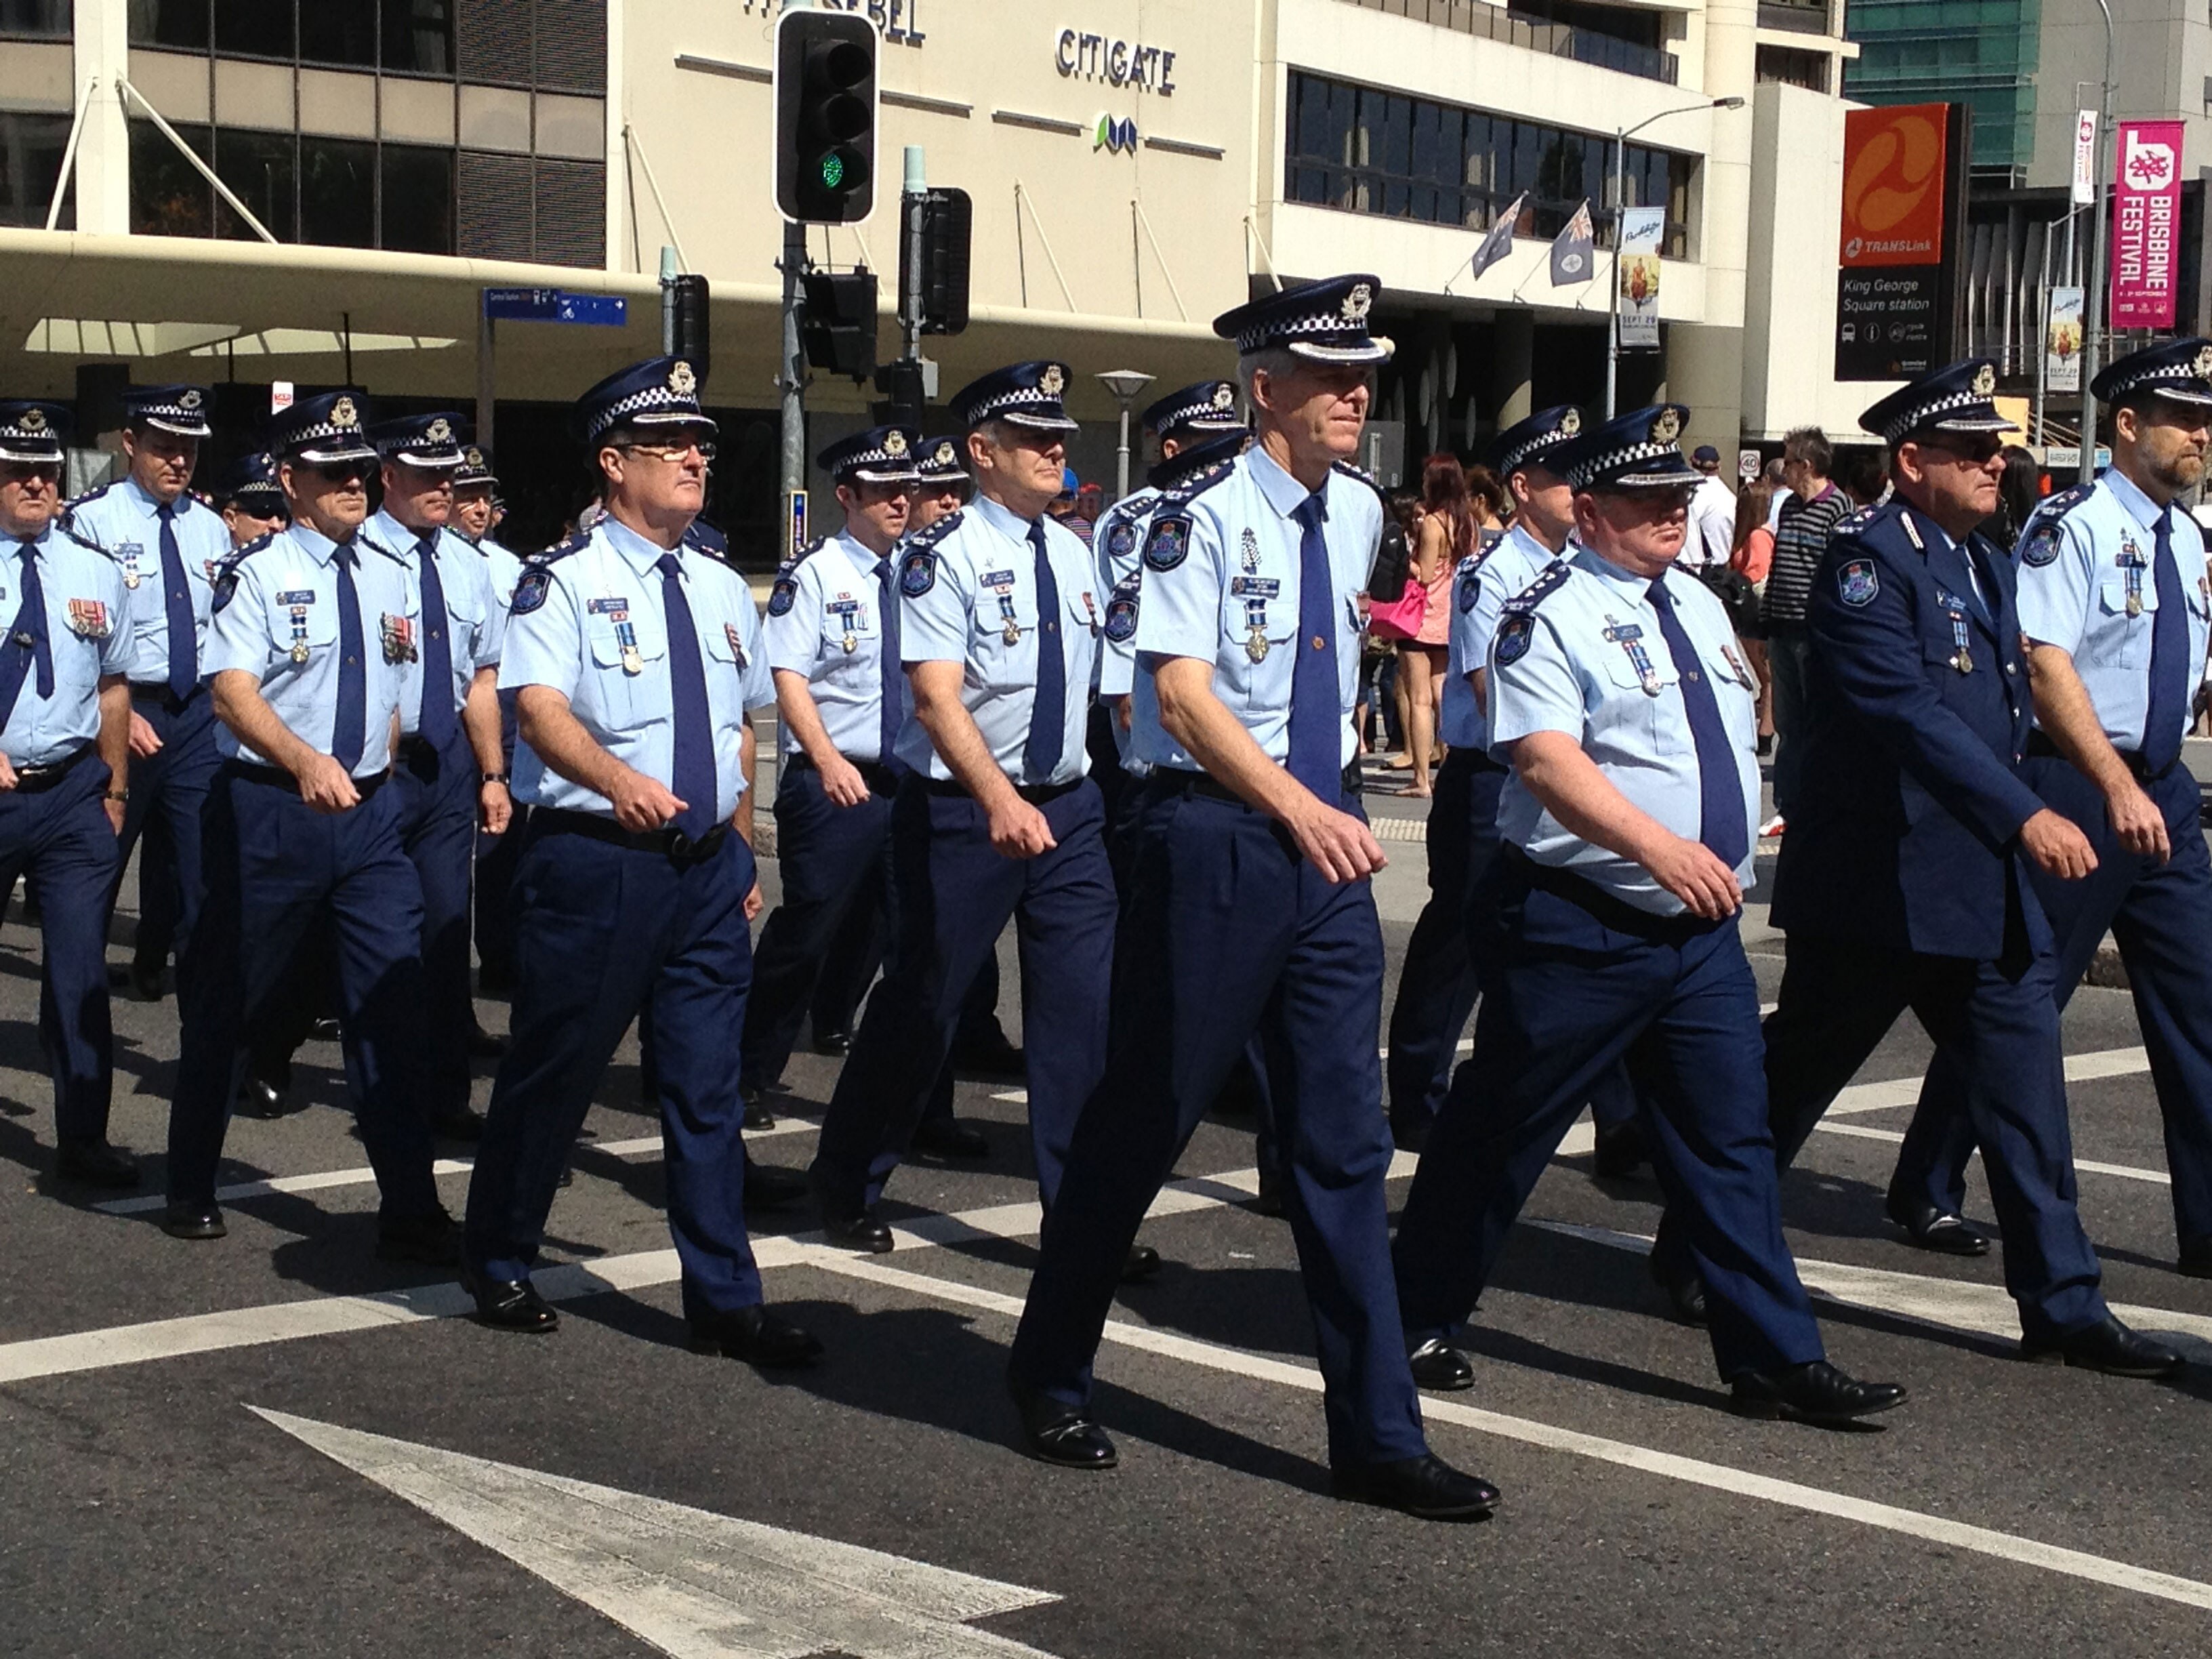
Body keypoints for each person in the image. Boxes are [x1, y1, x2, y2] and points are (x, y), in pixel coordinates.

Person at [1008, 275, 1497, 1519]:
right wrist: (1298, 807)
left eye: (1363, 375)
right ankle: (1049, 1366)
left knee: (1340, 1143)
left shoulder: (1355, 517)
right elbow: (1175, 694)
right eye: (1331, 375)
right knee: (1145, 1118)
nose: (1355, 394)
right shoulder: (1195, 518)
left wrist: (1319, 809)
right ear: (1262, 386)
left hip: (1316, 847)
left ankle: (1378, 1434)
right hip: (1220, 838)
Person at [1391, 403, 1904, 1426]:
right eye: (1646, 498)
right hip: (1586, 919)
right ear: (1587, 510)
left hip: (1696, 931)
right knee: (1506, 1129)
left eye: (1678, 495)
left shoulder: (1698, 604)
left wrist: (1749, 816)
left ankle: (1773, 1356)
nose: (1672, 513)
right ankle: (1413, 1311)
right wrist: (1659, 846)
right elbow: (1541, 755)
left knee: (1731, 1142)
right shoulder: (1548, 609)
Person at [1735, 359, 2179, 1377]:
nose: (1996, 464)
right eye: (1973, 450)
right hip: (1880, 893)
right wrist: (2029, 817)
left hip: (1981, 890)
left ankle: (2064, 1303)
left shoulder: (1985, 561)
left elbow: (2011, 701)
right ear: (1911, 460)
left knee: (2027, 1098)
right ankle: (1697, 1245)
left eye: (1998, 449)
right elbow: (1909, 715)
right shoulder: (1867, 564)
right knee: (1789, 1089)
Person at [459, 355, 817, 1365]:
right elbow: (538, 708)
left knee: (705, 1087)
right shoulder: (561, 583)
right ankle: (498, 1256)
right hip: (597, 860)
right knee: (558, 1068)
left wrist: (741, 847)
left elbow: (742, 728)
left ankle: (724, 1298)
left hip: (703, 870)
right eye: (673, 445)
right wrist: (615, 779)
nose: (699, 457)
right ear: (615, 464)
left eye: (703, 442)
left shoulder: (716, 584)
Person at [1889, 339, 2212, 1280]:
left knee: (2198, 1011)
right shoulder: (2068, 527)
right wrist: (2111, 787)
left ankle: (2206, 1225)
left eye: (2206, 422)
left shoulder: (2188, 540)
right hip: (2078, 786)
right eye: (2182, 418)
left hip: (2164, 792)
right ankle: (1930, 1177)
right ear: (2126, 425)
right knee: (2019, 1003)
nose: (2201, 435)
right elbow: (2044, 660)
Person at [808, 363, 1122, 1265]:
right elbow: (938, 702)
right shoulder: (941, 559)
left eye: (1060, 435)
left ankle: (1078, 1218)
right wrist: (1000, 802)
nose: (1056, 449)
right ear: (983, 453)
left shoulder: (1074, 550)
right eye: (1033, 438)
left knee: (1078, 1019)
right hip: (961, 813)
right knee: (924, 1004)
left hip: (1069, 808)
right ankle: (848, 1178)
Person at [163, 390, 451, 1254]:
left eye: (361, 471)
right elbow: (231, 692)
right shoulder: (258, 575)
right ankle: (190, 1178)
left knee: (389, 1003)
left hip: (366, 819)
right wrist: (303, 761)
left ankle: (411, 1207)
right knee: (230, 1001)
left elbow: (396, 693)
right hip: (271, 812)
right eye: (332, 474)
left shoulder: (393, 574)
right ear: (291, 481)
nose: (353, 486)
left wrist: (377, 770)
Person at [739, 425, 983, 1158]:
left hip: (908, 782)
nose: (900, 503)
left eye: (906, 490)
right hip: (834, 780)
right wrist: (825, 760)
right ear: (846, 496)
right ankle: (751, 1071)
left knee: (918, 944)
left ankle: (921, 1106)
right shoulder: (816, 574)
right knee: (808, 933)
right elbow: (789, 678)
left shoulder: (925, 568)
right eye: (882, 492)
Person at [361, 413, 510, 1132]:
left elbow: (481, 679)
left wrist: (492, 774)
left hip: (446, 763)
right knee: (361, 931)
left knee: (447, 929)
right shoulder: (353, 554)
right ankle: (262, 1048)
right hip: (374, 765)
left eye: (450, 475)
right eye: (428, 476)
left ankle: (445, 1095)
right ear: (388, 478)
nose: (445, 488)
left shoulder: (468, 564)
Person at [0, 401, 134, 1187]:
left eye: (47, 473)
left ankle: (84, 1137)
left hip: (73, 797)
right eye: (18, 472)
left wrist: (115, 787)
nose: (36, 485)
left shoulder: (92, 568)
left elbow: (113, 687)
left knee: (81, 972)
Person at [66, 386, 228, 1010]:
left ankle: (204, 1034)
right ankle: (75, 1014)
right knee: (97, 868)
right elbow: (78, 633)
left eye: (188, 449)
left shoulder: (211, 528)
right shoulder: (94, 520)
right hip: (123, 710)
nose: (178, 462)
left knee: (200, 877)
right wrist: (120, 712)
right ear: (130, 444)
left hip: (195, 718)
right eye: (164, 447)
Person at [1089, 380, 1246, 853]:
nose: (1228, 458)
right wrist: (1125, 706)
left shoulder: (1247, 512)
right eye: (1210, 446)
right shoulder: (1133, 522)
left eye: (1233, 444)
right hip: (1160, 738)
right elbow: (1125, 615)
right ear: (1172, 449)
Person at [453, 443, 527, 996]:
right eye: (467, 496)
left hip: (501, 705)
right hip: (448, 712)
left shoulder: (510, 567)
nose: (479, 508)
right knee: (450, 858)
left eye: (485, 497)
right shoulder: (423, 559)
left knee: (504, 844)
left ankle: (499, 957)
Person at [1761, 427, 1849, 838]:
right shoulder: (1790, 508)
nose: (1783, 468)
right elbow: (1780, 562)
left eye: (1789, 461)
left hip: (1813, 633)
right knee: (1787, 724)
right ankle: (1787, 806)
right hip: (1782, 626)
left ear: (1807, 466)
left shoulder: (1838, 508)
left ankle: (1820, 800)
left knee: (1818, 723)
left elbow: (1841, 571)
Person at [1398, 455, 1467, 797]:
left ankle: (1422, 778)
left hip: (1422, 618)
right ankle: (1450, 766)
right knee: (1444, 692)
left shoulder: (1432, 524)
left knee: (1420, 698)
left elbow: (1424, 575)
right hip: (1452, 616)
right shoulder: (1467, 523)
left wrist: (1403, 563)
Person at [1729, 478, 1777, 755]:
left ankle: (1763, 728)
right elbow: (1758, 571)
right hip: (1758, 610)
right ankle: (1766, 732)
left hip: (1745, 613)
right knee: (1768, 678)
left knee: (1762, 674)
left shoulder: (1743, 535)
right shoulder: (1760, 535)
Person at [1683, 443, 1734, 573]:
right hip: (1726, 568)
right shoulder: (1731, 496)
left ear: (1693, 466)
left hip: (1702, 570)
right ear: (1719, 467)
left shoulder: (1692, 497)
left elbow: (1690, 547)